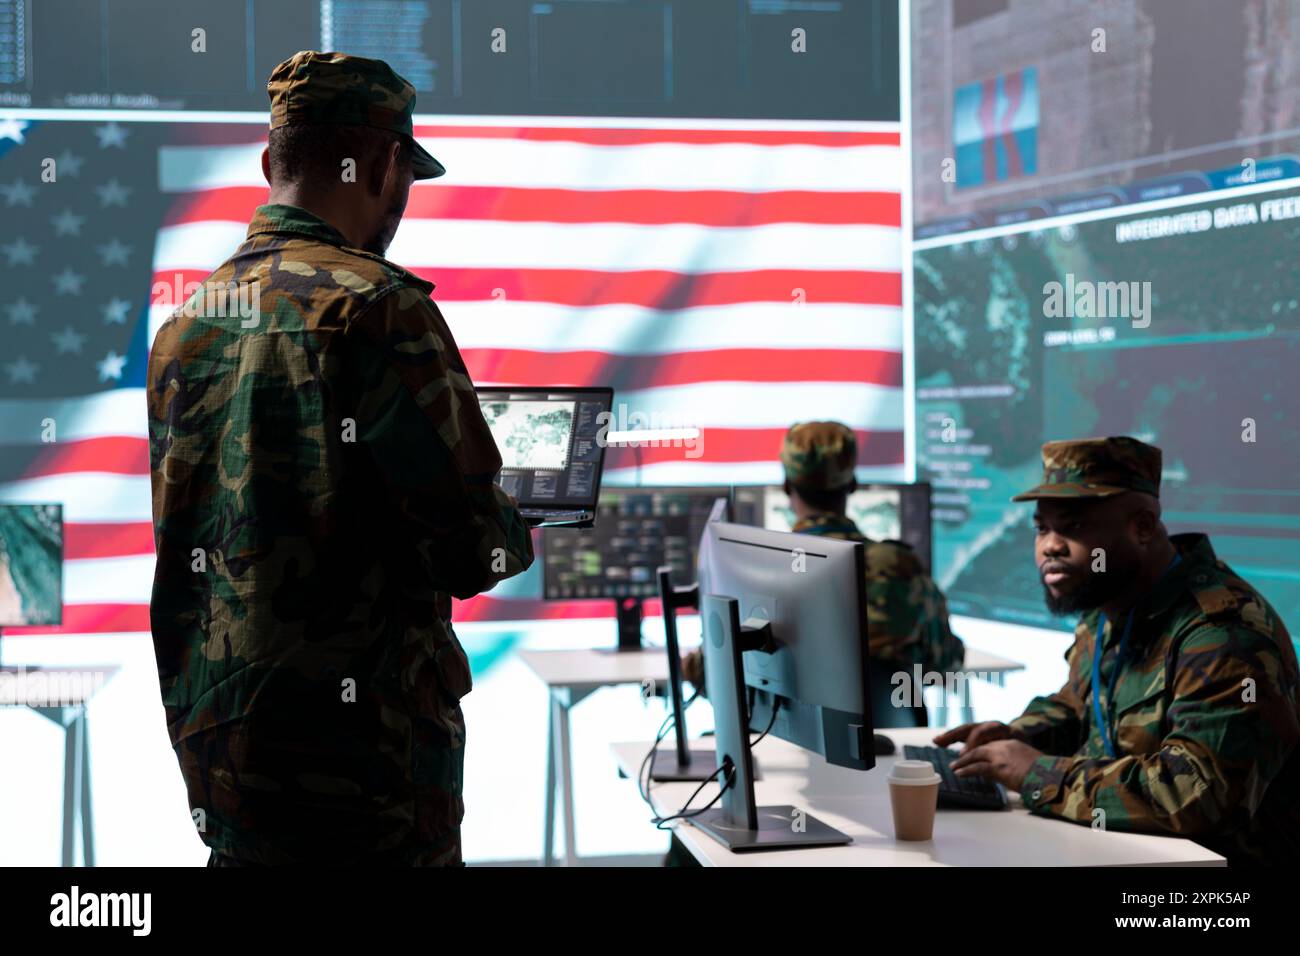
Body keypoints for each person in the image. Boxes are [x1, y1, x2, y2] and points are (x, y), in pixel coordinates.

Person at [146, 51, 534, 866]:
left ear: (269, 162)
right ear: (387, 163)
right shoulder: (380, 309)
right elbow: (471, 549)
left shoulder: (186, 326)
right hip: (368, 783)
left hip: (229, 764)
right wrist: (513, 514)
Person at [938, 436, 1300, 866]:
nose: (1050, 546)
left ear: (1143, 527)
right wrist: (1019, 737)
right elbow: (1079, 707)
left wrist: (1037, 773)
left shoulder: (1222, 634)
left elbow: (1198, 795)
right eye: (1041, 528)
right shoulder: (1107, 605)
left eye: (1073, 527)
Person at [682, 421, 964, 708]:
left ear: (787, 486)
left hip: (780, 745)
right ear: (852, 484)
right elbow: (946, 664)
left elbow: (713, 676)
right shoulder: (899, 567)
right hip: (888, 741)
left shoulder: (758, 570)